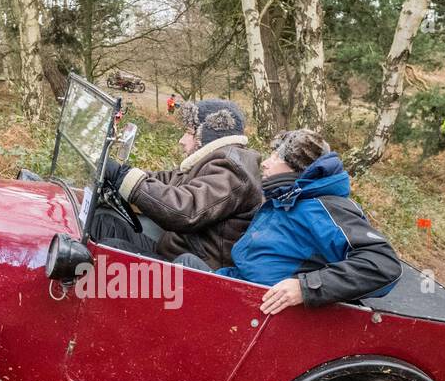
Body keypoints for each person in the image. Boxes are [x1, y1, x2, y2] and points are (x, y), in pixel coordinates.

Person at [173, 130, 401, 313]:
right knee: (183, 264)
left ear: (298, 168)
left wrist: (305, 287)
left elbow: (383, 265)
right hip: (239, 286)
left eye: (277, 157)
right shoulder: (286, 199)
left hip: (258, 308)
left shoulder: (322, 209)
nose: (265, 163)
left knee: (167, 283)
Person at [96, 99, 261, 268]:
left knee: (110, 250)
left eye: (189, 132)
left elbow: (186, 210)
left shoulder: (231, 168)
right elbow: (167, 180)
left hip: (194, 270)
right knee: (103, 223)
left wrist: (122, 176)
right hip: (174, 252)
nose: (182, 140)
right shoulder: (212, 161)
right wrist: (122, 173)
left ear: (207, 134)